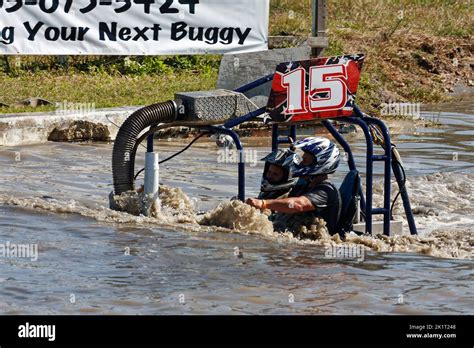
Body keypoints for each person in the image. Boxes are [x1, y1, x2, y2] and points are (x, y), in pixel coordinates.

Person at [246, 137, 342, 235]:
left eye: (305, 161)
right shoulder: (305, 185)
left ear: (321, 163)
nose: (300, 163)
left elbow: (298, 204)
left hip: (317, 244)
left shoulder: (326, 190)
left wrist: (263, 203)